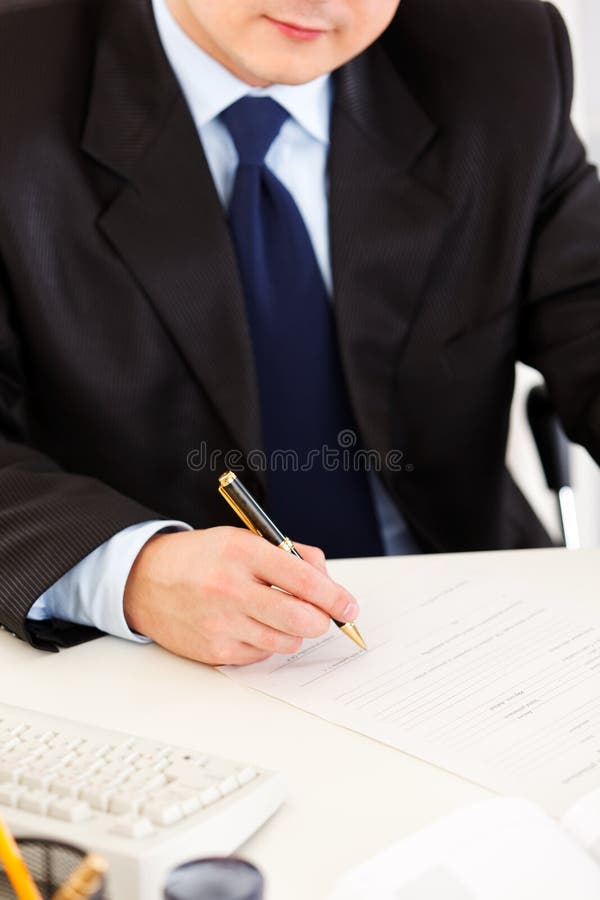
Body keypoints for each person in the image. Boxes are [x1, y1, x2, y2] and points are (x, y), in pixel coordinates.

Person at [0, 0, 598, 665]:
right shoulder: (17, 74)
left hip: (467, 624)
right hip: (139, 656)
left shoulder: (499, 53)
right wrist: (132, 569)